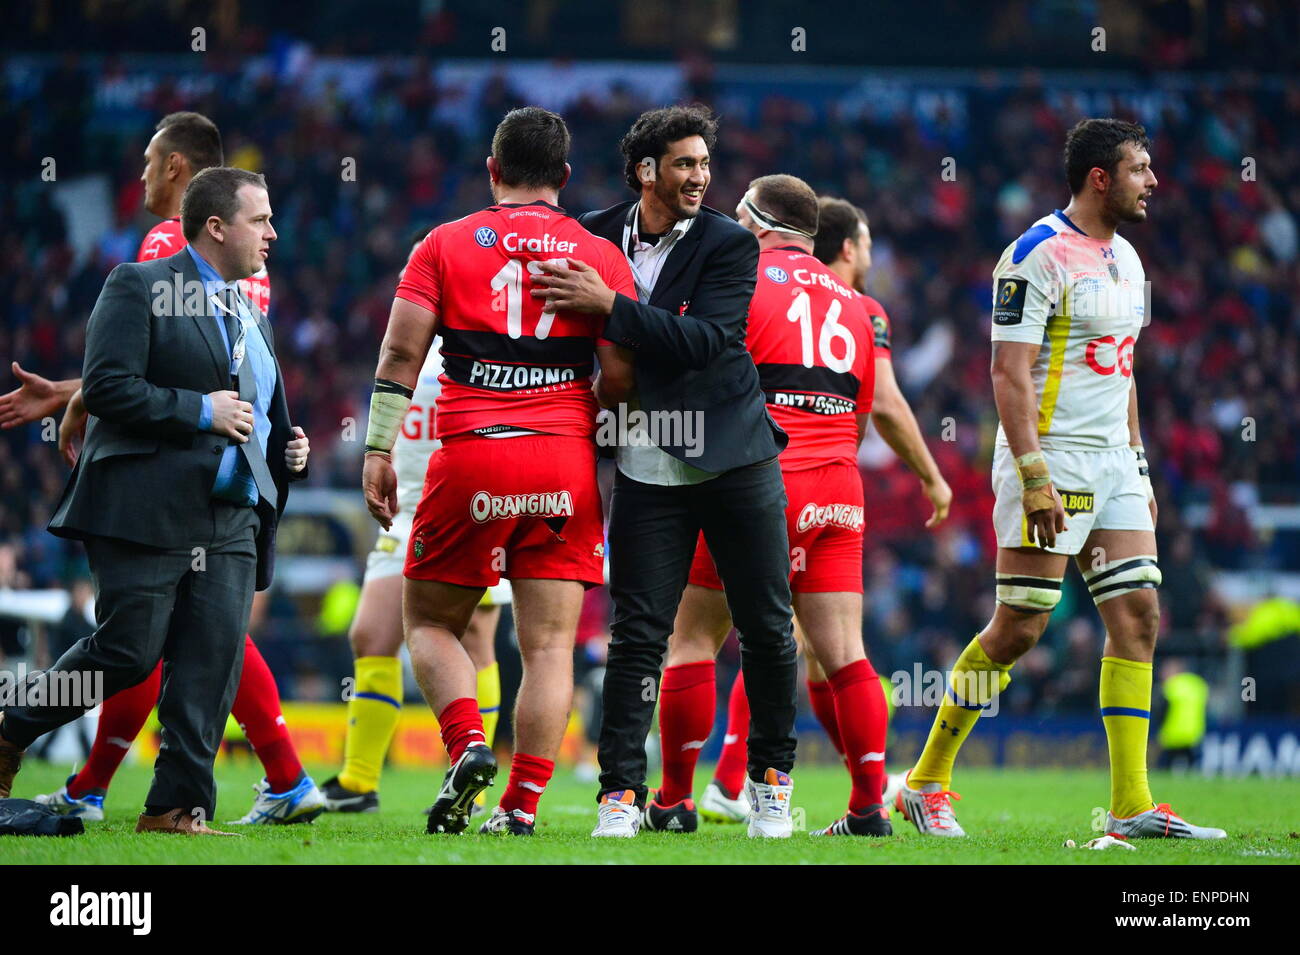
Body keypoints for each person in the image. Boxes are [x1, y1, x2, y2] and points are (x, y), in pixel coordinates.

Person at [894, 118, 1226, 840]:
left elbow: (1123, 366)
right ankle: (924, 782)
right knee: (1021, 626)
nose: (1154, 181)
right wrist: (1035, 472)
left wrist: (1137, 459)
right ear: (1100, 177)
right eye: (1140, 168)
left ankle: (1133, 804)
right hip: (1053, 457)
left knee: (1138, 613)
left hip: (1114, 462)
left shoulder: (1130, 259)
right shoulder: (1034, 255)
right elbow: (1008, 374)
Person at [5, 112, 322, 826]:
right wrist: (197, 411)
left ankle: (176, 804)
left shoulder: (252, 311)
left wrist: (285, 450)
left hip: (231, 512)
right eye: (262, 220)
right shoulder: (141, 278)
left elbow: (257, 406)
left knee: (211, 657)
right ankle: (11, 728)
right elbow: (112, 383)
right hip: (149, 506)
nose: (274, 234)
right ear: (215, 225)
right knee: (126, 648)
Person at [361, 107, 636, 836]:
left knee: (426, 621)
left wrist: (378, 448)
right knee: (548, 647)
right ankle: (519, 809)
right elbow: (622, 375)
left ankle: (467, 743)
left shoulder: (443, 244)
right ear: (565, 178)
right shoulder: (600, 255)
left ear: (493, 170)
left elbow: (398, 358)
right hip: (562, 462)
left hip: (472, 455)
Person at [530, 105, 799, 839]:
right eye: (685, 163)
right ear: (646, 170)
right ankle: (620, 794)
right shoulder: (588, 231)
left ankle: (772, 783)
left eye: (706, 164)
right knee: (635, 634)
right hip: (646, 461)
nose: (700, 177)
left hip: (734, 456)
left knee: (767, 627)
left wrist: (610, 306)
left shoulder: (729, 242)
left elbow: (709, 341)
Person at [662, 193, 954, 831]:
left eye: (740, 220)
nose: (731, 229)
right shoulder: (860, 307)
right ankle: (868, 807)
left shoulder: (737, 278)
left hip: (758, 479)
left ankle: (677, 800)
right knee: (846, 652)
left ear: (760, 225)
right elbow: (863, 410)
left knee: (694, 641)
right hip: (837, 488)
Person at [321, 233, 509, 815]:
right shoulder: (406, 345)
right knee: (371, 634)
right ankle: (358, 781)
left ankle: (468, 779)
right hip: (402, 509)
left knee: (475, 638)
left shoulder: (479, 337)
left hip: (464, 506)